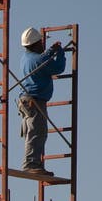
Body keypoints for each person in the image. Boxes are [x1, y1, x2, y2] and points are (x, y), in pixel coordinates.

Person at [17, 26, 66, 175]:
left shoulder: (27, 57)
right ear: (36, 44)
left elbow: (42, 58)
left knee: (32, 132)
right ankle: (31, 164)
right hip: (35, 100)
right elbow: (58, 68)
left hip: (25, 100)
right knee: (37, 132)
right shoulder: (38, 60)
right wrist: (61, 53)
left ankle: (33, 163)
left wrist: (51, 51)